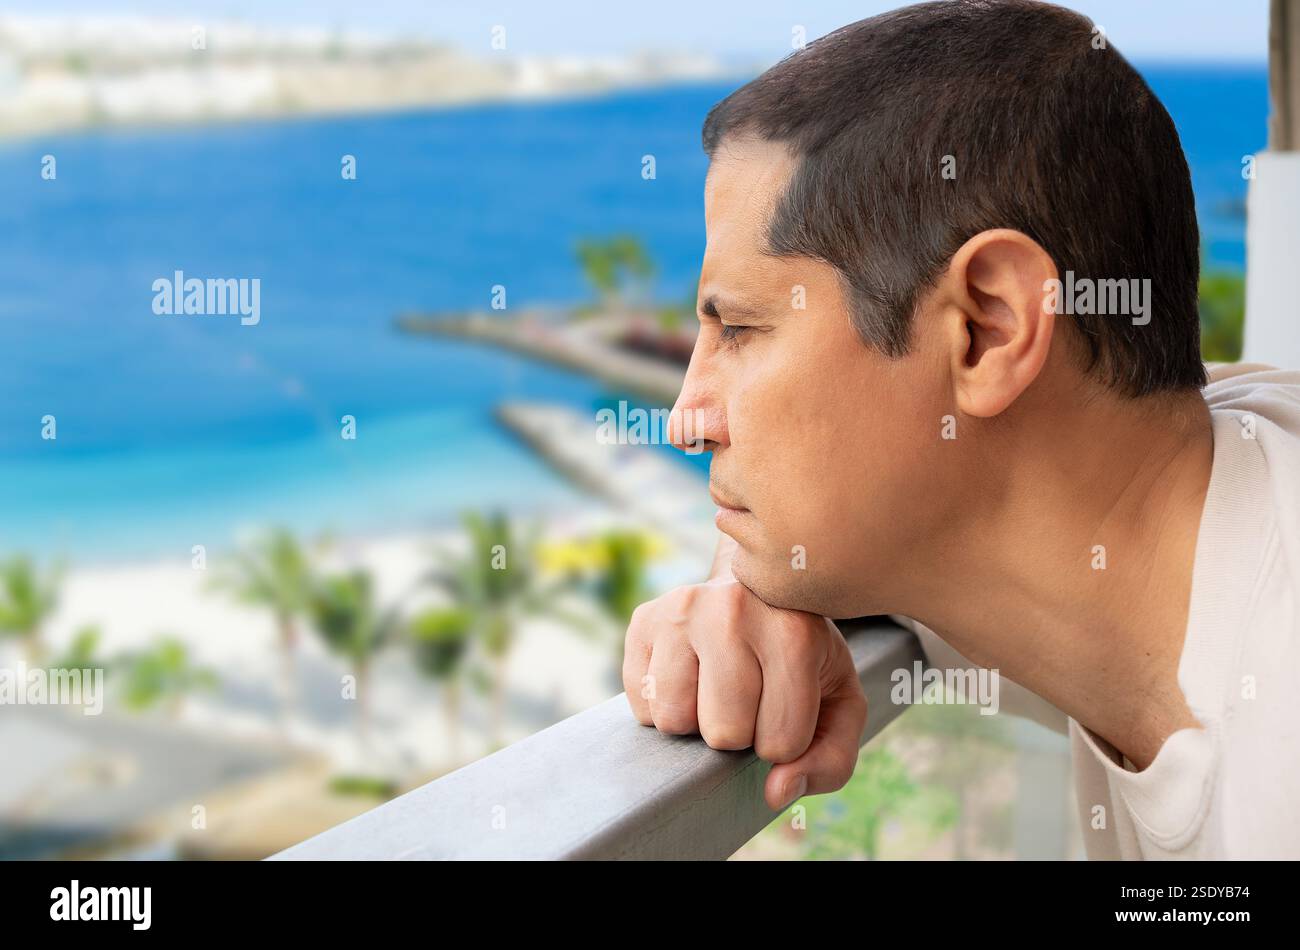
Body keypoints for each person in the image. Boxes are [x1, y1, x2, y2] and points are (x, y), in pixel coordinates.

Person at [621, 0, 1300, 859]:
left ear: (989, 326)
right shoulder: (1196, 463)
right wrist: (747, 577)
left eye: (742, 330)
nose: (687, 419)